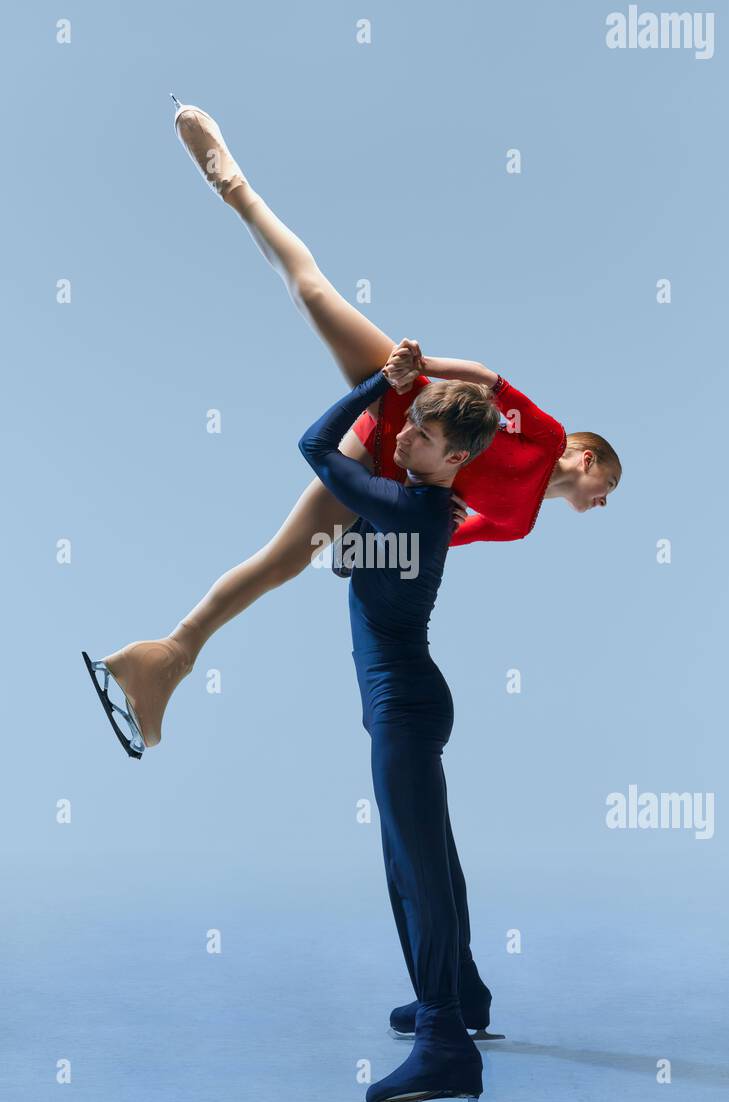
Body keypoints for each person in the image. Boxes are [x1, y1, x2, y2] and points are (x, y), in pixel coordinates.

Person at [82, 100, 620, 758]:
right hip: (404, 387)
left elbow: (432, 533)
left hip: (384, 459)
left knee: (279, 564)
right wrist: (420, 363)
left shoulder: (518, 523)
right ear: (586, 457)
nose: (603, 500)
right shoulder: (545, 436)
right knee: (312, 293)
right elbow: (486, 379)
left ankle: (169, 656)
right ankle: (232, 184)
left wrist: (365, 543)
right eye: (608, 483)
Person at [297, 358, 502, 1102]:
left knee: (413, 872)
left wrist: (380, 387)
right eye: (411, 426)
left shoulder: (412, 510)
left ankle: (446, 1042)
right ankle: (465, 994)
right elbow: (349, 556)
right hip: (409, 702)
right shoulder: (412, 507)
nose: (408, 436)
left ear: (455, 460)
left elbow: (315, 447)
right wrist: (405, 398)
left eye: (425, 434)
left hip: (405, 710)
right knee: (429, 859)